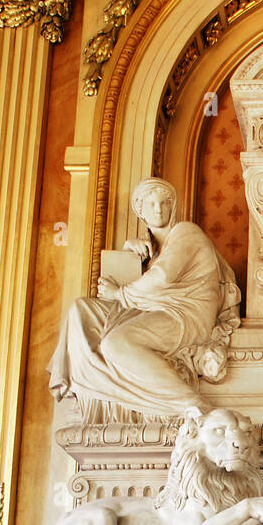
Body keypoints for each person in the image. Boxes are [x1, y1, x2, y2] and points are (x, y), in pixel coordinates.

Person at [48, 178, 240, 421]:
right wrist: (132, 253)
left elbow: (162, 276)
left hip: (184, 316)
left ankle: (192, 404)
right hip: (157, 311)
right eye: (150, 204)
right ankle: (88, 387)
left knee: (116, 344)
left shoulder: (186, 232)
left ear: (173, 207)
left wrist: (120, 294)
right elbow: (150, 280)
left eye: (164, 203)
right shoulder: (154, 250)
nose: (158, 208)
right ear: (140, 211)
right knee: (81, 310)